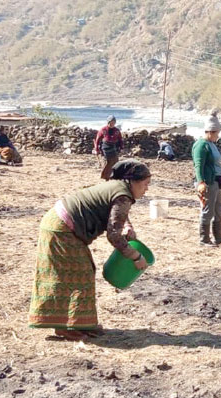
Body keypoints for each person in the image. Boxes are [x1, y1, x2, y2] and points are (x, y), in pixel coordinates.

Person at [28, 160, 152, 341]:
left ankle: (78, 324)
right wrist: (136, 256)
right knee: (78, 273)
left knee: (78, 272)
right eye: (146, 184)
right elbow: (114, 236)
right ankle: (69, 327)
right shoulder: (123, 195)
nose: (147, 189)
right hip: (61, 228)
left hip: (58, 221)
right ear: (132, 181)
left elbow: (117, 216)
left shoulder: (118, 188)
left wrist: (126, 225)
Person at [192, 111, 221, 247]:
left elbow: (213, 161)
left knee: (217, 208)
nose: (218, 136)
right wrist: (201, 182)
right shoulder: (201, 145)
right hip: (208, 182)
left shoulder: (211, 145)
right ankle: (204, 239)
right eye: (216, 133)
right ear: (210, 132)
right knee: (208, 210)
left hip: (215, 181)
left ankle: (218, 236)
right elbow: (199, 165)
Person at [94, 115, 123, 180]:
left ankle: (114, 177)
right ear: (108, 122)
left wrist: (121, 147)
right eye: (111, 122)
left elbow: (120, 139)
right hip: (105, 148)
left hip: (113, 147)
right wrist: (96, 149)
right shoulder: (103, 130)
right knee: (107, 163)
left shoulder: (117, 131)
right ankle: (105, 177)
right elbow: (97, 140)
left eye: (114, 122)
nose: (112, 124)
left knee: (115, 162)